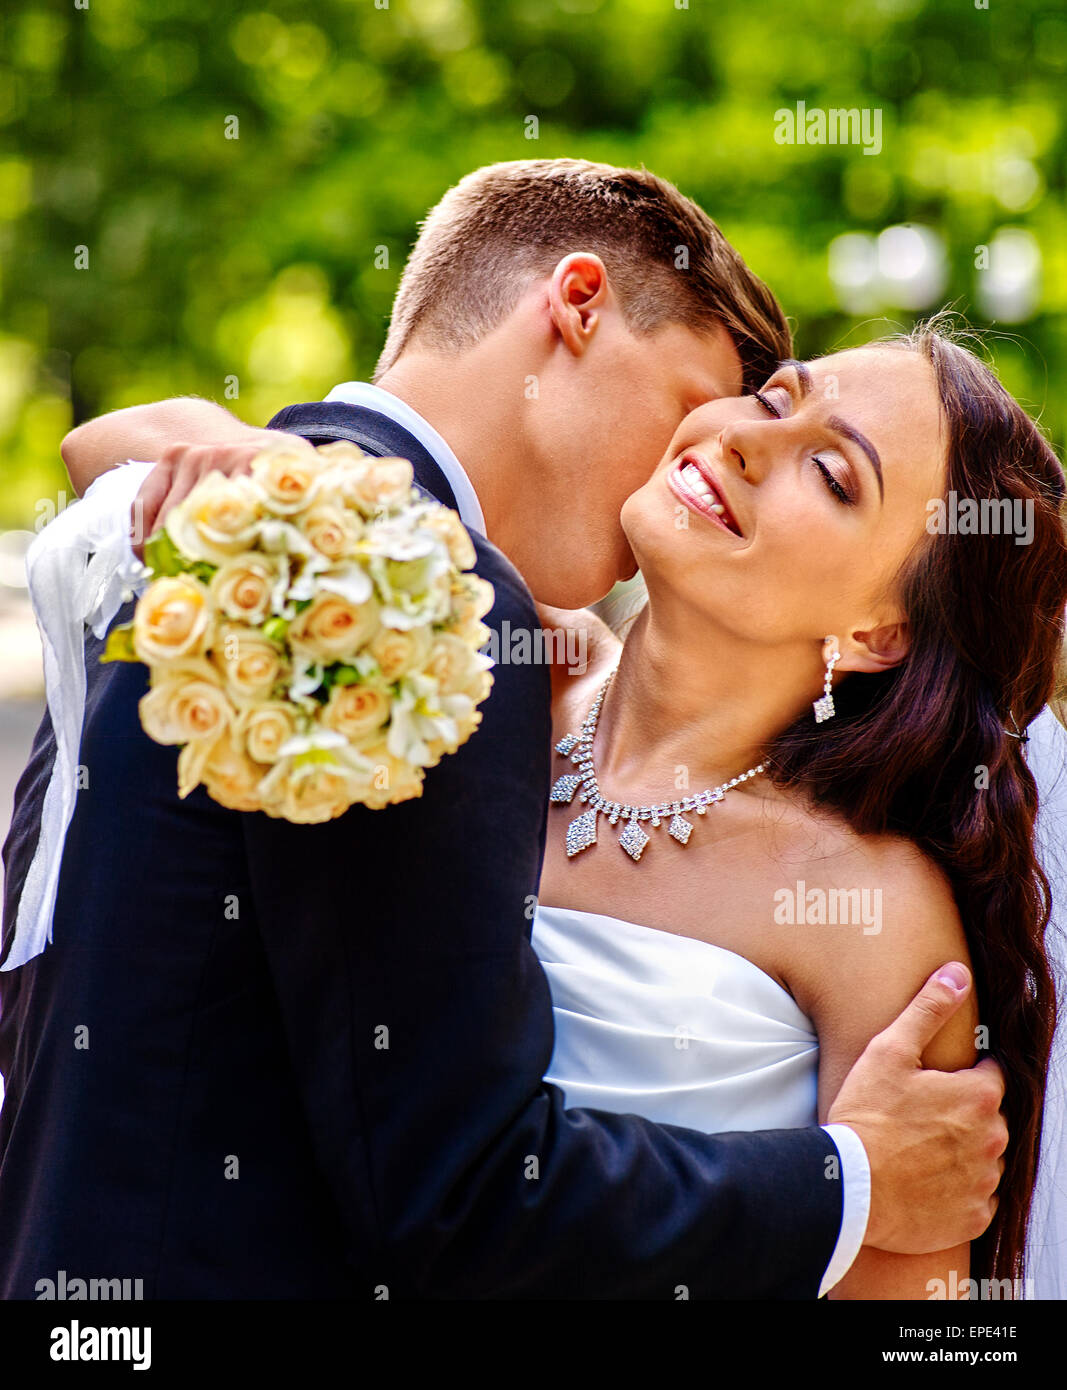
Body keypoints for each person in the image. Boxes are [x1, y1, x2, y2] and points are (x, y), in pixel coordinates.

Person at [1, 161, 1006, 1299]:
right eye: (737, 401)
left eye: (828, 471)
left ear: (881, 629)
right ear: (576, 305)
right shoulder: (401, 598)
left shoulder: (217, 533)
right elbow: (453, 1187)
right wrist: (847, 1182)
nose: (720, 443)